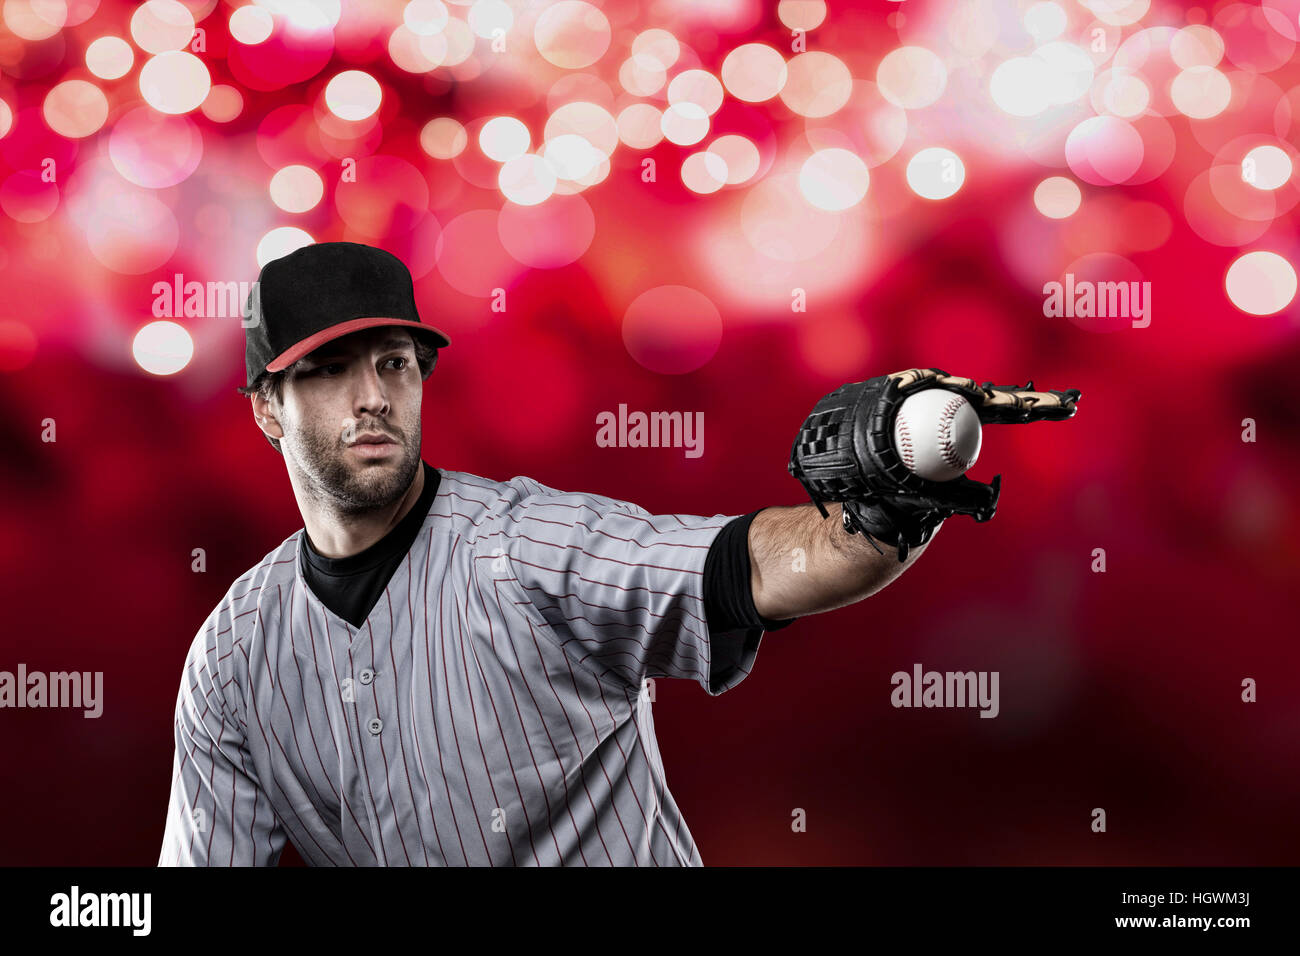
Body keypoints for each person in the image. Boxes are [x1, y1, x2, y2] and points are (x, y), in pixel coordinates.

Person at [158, 241, 1077, 866]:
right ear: (266, 408)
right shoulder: (235, 657)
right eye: (328, 370)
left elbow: (757, 568)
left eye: (393, 361)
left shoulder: (530, 550)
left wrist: (882, 510)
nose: (372, 396)